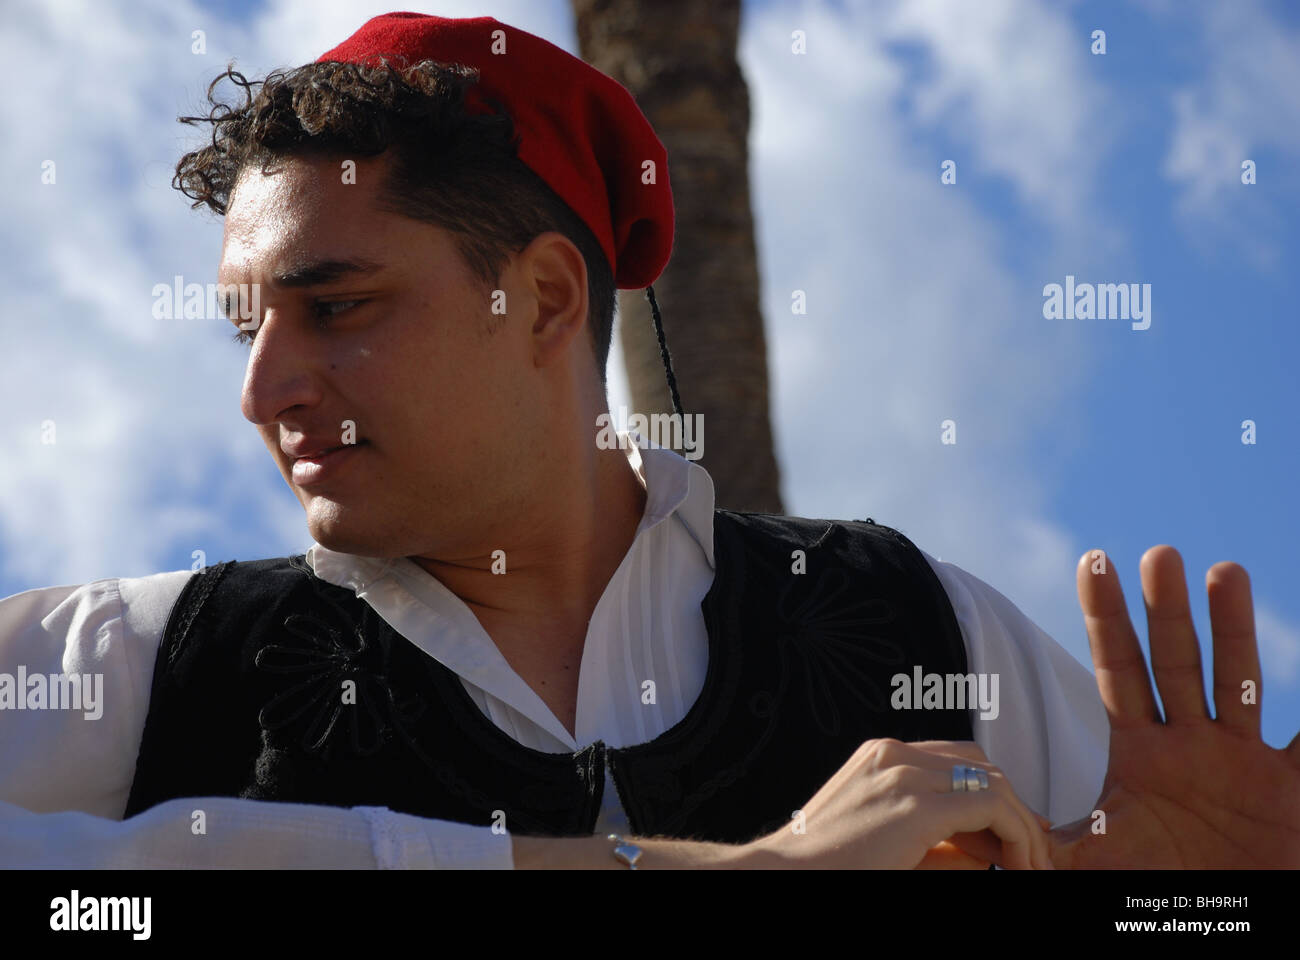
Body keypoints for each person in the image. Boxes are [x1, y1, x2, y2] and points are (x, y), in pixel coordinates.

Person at [2, 12, 1295, 871]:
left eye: (334, 307)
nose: (264, 389)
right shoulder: (145, 667)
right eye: (247, 332)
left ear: (550, 301)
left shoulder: (919, 630)